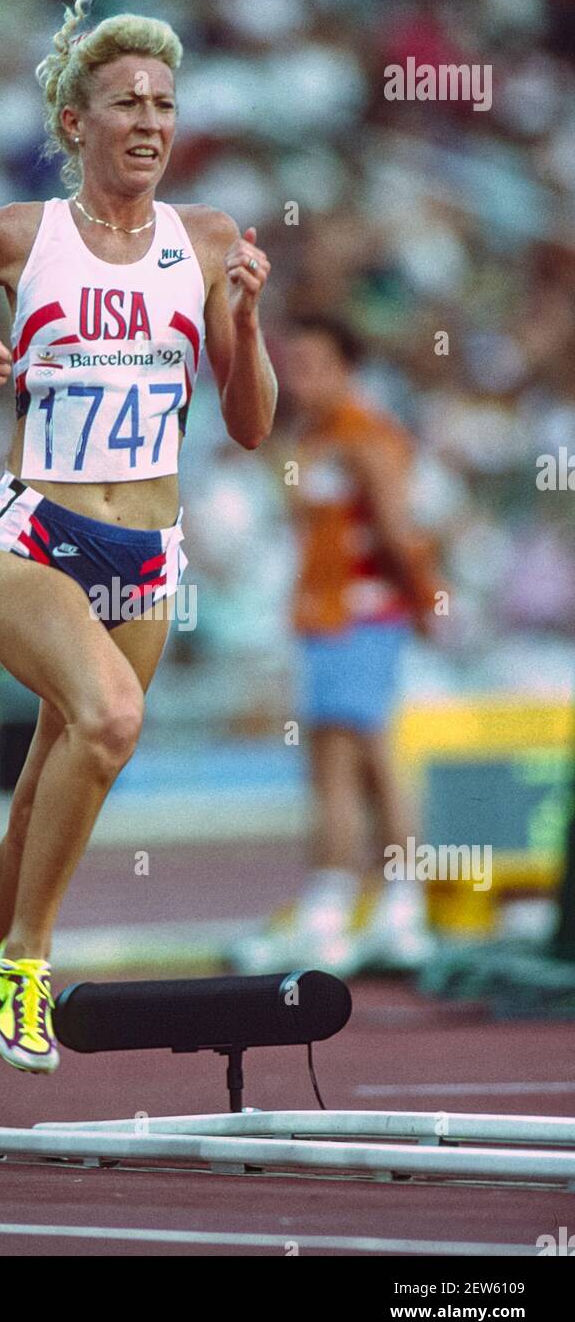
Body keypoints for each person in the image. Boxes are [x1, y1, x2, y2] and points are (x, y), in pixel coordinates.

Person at [0, 0, 277, 1163]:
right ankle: (26, 965)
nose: (150, 121)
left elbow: (254, 427)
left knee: (41, 802)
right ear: (78, 118)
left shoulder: (206, 239)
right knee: (112, 719)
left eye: (164, 103)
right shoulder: (15, 234)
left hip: (147, 554)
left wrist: (247, 324)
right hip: (34, 537)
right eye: (128, 103)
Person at [230, 316, 442, 977]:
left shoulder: (364, 435)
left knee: (336, 763)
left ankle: (332, 907)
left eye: (314, 365)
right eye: (294, 365)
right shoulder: (314, 437)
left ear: (347, 368)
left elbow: (398, 531)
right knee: (372, 760)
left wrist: (428, 602)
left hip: (355, 618)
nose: (299, 378)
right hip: (334, 619)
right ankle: (395, 907)